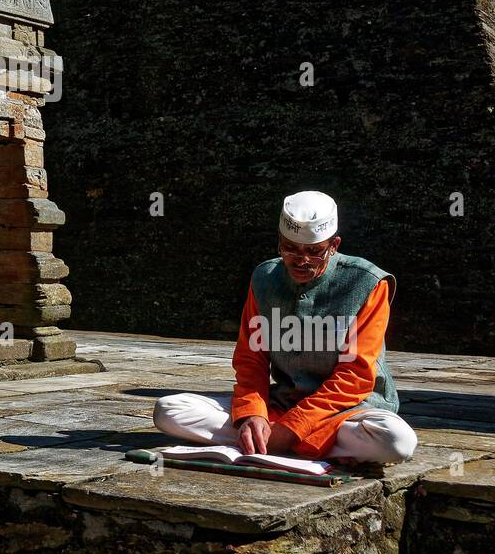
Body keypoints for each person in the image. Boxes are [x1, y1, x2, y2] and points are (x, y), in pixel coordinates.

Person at [153, 191, 417, 464]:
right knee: (169, 410)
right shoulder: (264, 278)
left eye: (314, 252)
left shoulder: (368, 283)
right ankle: (292, 442)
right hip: (282, 404)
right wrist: (253, 414)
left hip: (349, 409)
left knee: (396, 441)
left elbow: (355, 377)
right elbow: (251, 359)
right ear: (279, 242)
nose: (301, 260)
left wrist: (293, 427)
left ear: (334, 245)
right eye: (290, 249)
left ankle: (269, 442)